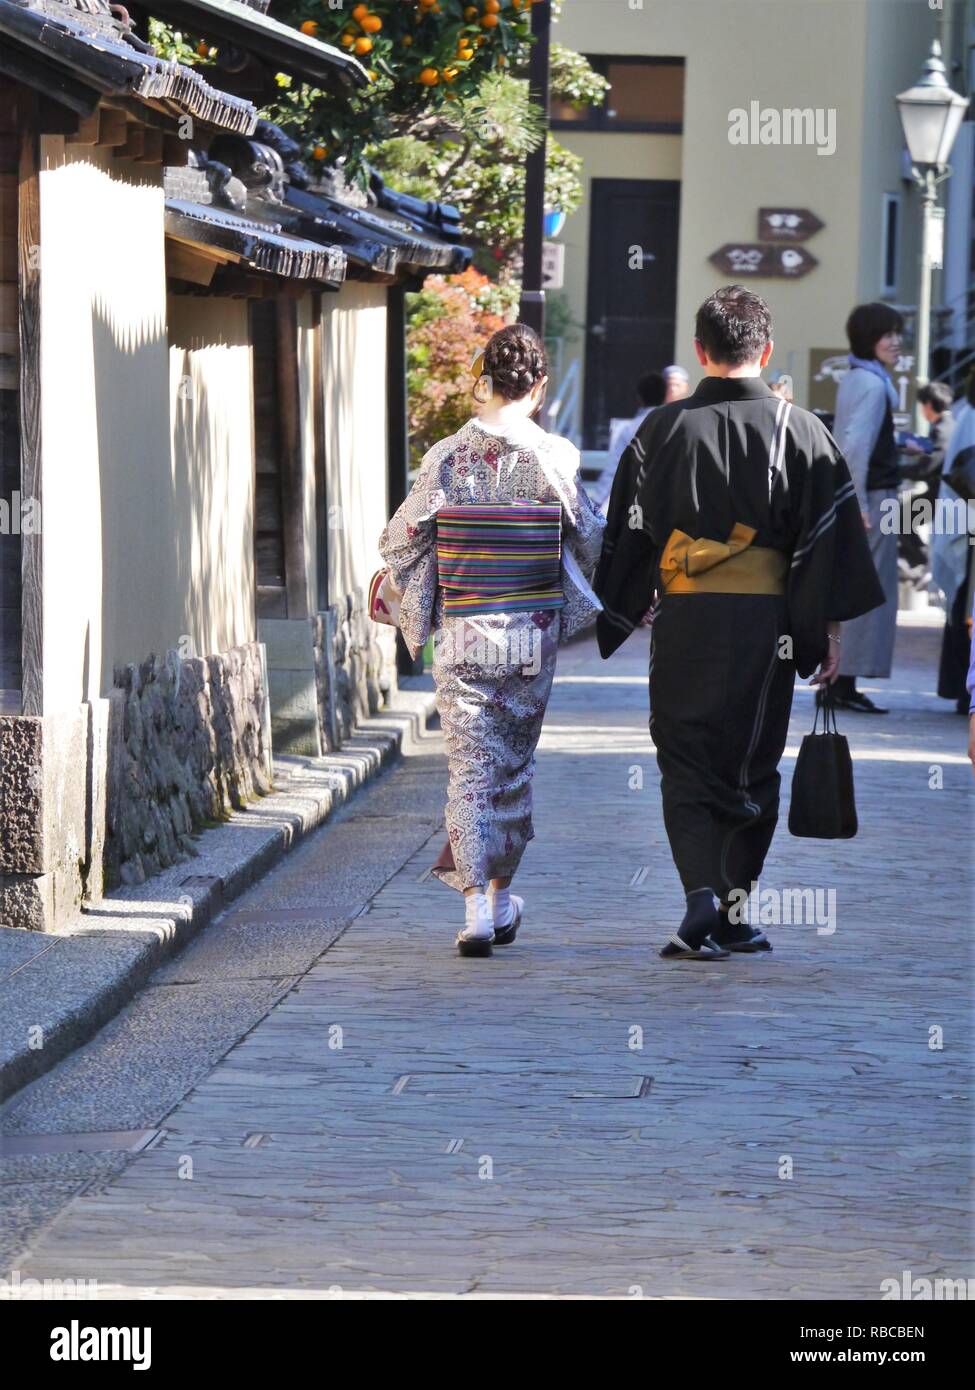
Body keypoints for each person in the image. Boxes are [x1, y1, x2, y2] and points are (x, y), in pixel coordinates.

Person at [595, 285, 884, 960]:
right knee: (750, 762)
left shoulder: (659, 431)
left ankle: (702, 893)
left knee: (684, 754)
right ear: (767, 348)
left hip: (685, 616)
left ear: (699, 350)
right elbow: (828, 537)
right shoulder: (799, 429)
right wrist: (825, 632)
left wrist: (623, 606)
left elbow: (626, 536)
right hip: (766, 621)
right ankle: (728, 906)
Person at [378, 324, 605, 957]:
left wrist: (422, 579)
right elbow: (590, 537)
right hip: (528, 631)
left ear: (483, 381)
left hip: (464, 629)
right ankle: (499, 899)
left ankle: (482, 906)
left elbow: (398, 540)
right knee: (512, 765)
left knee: (470, 769)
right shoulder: (552, 455)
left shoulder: (447, 455)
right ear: (537, 387)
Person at [827, 302, 905, 713]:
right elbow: (855, 445)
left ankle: (838, 678)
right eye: (886, 334)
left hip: (859, 495)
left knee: (853, 586)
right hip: (873, 499)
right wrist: (857, 503)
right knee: (870, 592)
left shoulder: (856, 377)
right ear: (867, 338)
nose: (895, 342)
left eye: (897, 333)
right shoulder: (875, 385)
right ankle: (844, 681)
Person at [899, 380, 956, 576]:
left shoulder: (941, 430)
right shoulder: (948, 425)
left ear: (928, 405)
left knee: (899, 519)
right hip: (943, 493)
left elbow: (927, 467)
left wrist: (896, 471)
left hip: (941, 494)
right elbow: (930, 446)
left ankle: (925, 564)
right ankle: (919, 562)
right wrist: (901, 439)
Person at [606, 371, 667, 472]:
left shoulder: (627, 429)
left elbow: (614, 468)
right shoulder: (676, 426)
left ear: (639, 397)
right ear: (665, 396)